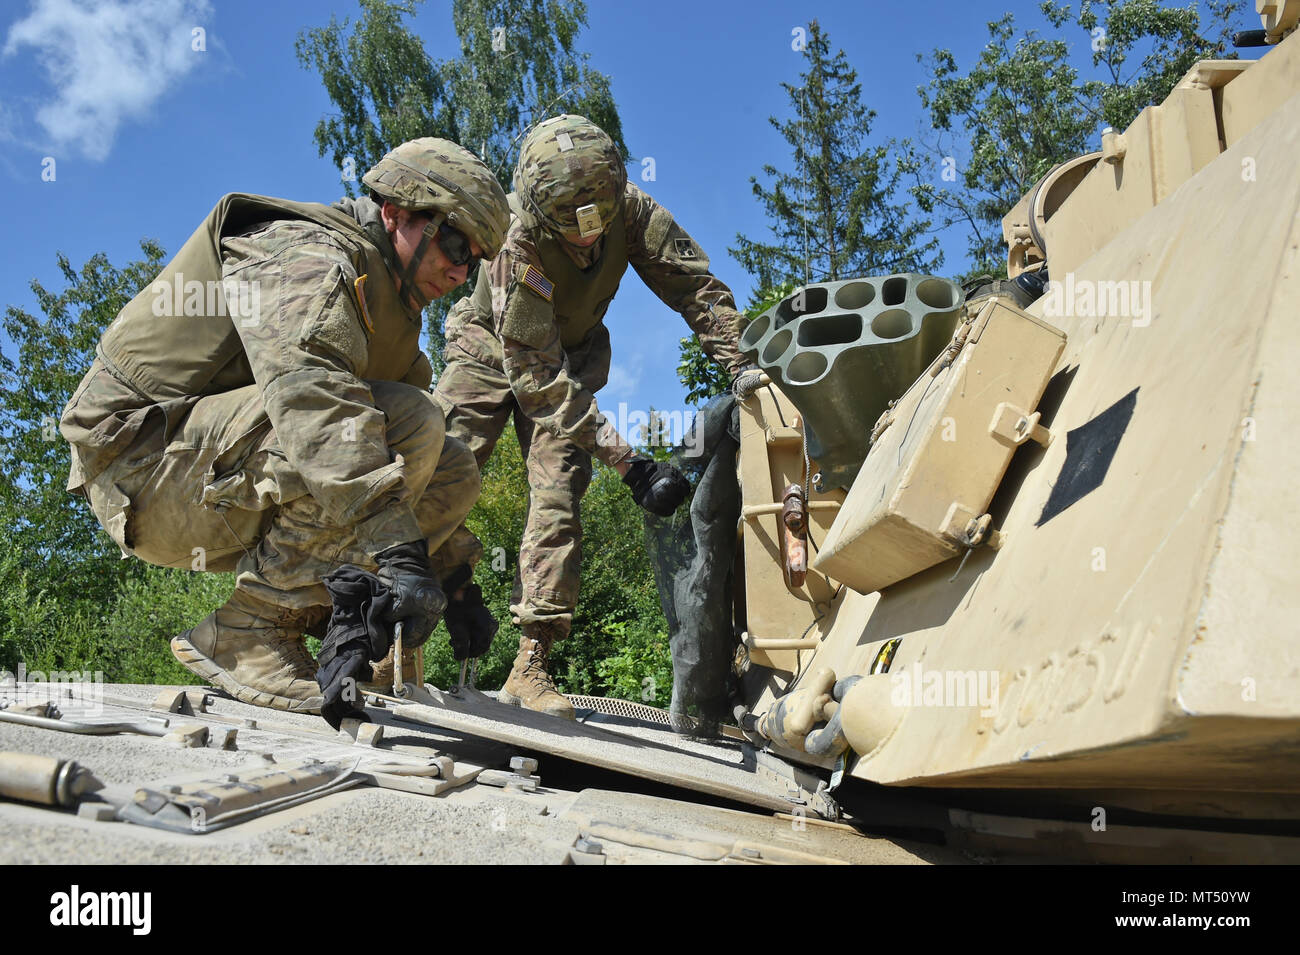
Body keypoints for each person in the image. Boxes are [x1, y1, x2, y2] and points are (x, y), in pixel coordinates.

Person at [59, 138, 510, 713]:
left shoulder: (394, 306)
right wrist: (399, 554)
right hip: (140, 469)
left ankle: (327, 625)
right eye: (453, 242)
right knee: (402, 421)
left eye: (473, 259)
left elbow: (416, 470)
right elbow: (314, 403)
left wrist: (455, 580)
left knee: (451, 465)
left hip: (210, 470)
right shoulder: (308, 255)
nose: (459, 268)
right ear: (397, 211)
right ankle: (251, 633)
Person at [434, 114, 762, 720]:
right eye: (570, 228)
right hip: (490, 352)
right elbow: (536, 380)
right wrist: (632, 463)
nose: (587, 240)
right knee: (438, 477)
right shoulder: (518, 241)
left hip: (574, 353)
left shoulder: (629, 212)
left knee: (558, 493)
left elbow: (693, 286)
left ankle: (530, 663)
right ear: (536, 209)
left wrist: (741, 365)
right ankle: (399, 633)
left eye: (598, 224)